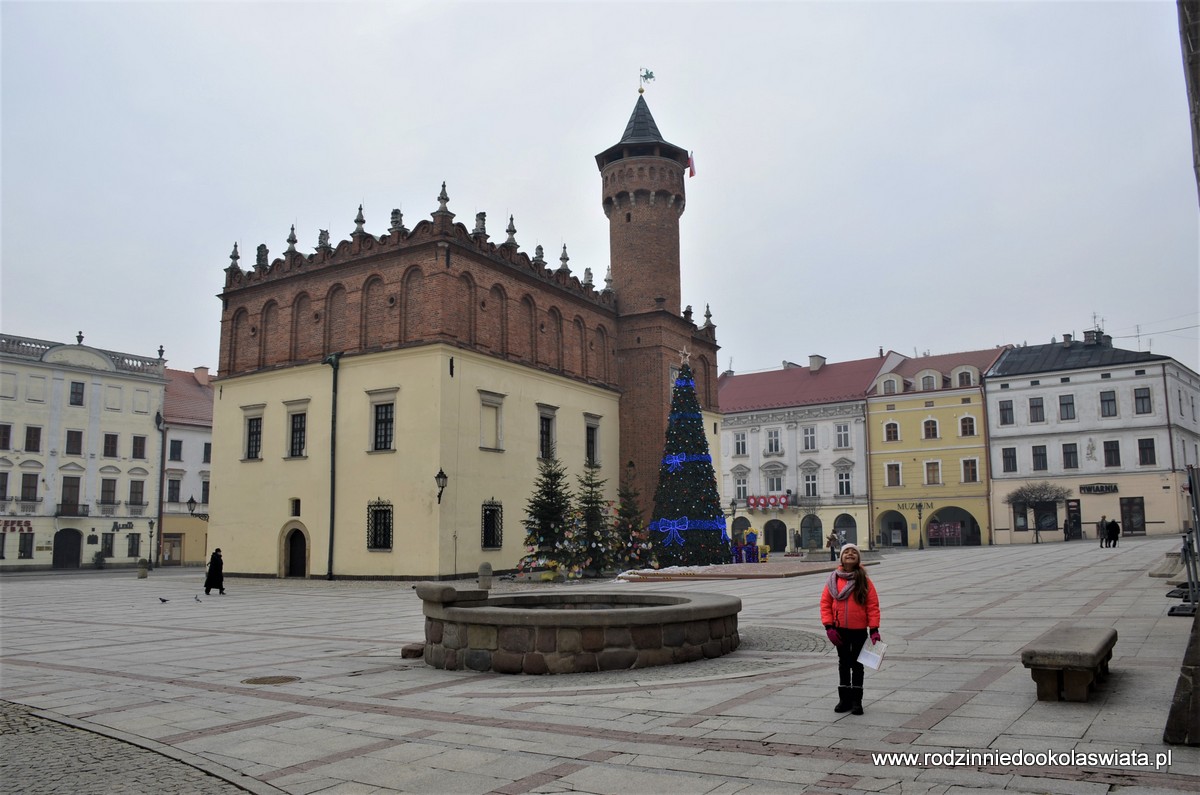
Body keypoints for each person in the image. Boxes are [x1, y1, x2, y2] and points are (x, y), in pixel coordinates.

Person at [820, 543, 881, 716]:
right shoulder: (833, 580)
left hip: (859, 630)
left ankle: (857, 701)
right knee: (843, 664)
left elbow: (873, 606)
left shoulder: (863, 579)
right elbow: (825, 604)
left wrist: (874, 629)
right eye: (846, 551)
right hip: (839, 630)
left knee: (857, 665)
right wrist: (829, 626)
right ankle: (844, 699)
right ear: (841, 557)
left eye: (854, 552)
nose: (850, 554)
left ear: (858, 558)